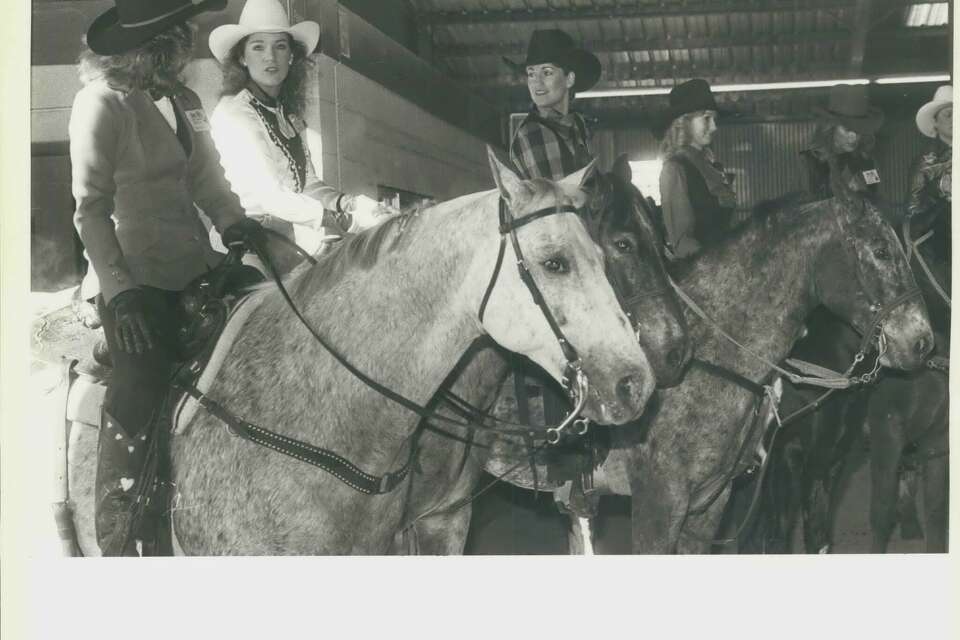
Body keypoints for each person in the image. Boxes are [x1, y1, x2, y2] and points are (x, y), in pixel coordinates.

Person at [70, 0, 265, 555]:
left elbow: (210, 180)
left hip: (194, 266)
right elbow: (90, 207)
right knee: (142, 377)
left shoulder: (184, 99)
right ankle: (121, 518)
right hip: (134, 277)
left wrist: (234, 227)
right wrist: (120, 290)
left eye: (177, 34)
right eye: (169, 37)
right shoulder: (100, 103)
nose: (179, 45)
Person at [208, 0, 386, 259]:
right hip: (243, 241)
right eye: (258, 47)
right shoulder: (234, 113)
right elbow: (268, 194)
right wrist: (341, 219)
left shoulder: (286, 116)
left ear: (291, 56)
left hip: (282, 238)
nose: (270, 57)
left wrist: (346, 202)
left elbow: (306, 184)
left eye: (280, 46)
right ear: (242, 58)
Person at [658, 79, 738, 261]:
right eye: (706, 119)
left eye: (714, 119)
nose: (714, 127)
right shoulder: (675, 170)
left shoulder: (712, 166)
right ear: (684, 122)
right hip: (703, 274)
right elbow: (683, 243)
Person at [507, 29, 602, 181]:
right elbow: (561, 199)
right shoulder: (532, 130)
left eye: (547, 73)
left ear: (569, 79)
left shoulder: (577, 124)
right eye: (531, 74)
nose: (536, 82)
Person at [907, 84, 952, 334]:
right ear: (934, 124)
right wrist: (937, 192)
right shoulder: (925, 163)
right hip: (941, 245)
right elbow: (913, 214)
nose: (955, 118)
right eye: (947, 114)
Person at [800, 84, 884, 201]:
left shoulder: (868, 163)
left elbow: (877, 200)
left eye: (858, 130)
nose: (853, 137)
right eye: (847, 129)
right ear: (830, 127)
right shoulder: (810, 162)